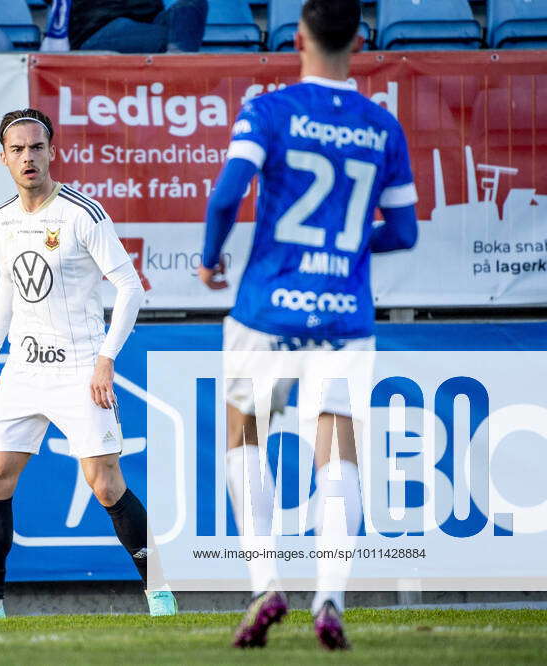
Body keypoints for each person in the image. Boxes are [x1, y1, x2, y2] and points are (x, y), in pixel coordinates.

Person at [198, 0, 418, 651]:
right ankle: (331, 595)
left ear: (296, 38)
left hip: (267, 308)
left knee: (243, 431)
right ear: (362, 37)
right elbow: (403, 231)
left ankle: (266, 583)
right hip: (344, 314)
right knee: (336, 448)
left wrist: (211, 260)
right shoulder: (383, 125)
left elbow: (224, 196)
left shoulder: (268, 110)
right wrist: (346, 249)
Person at [0, 108, 176, 620]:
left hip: (81, 367)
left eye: (36, 147)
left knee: (104, 483)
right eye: (17, 150)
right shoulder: (2, 220)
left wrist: (106, 360)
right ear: (3, 159)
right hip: (24, 368)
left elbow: (129, 288)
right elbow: (8, 286)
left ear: (52, 151)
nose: (28, 157)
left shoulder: (83, 213)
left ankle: (161, 591)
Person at [70, 0, 207, 53]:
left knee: (193, 5)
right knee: (180, 38)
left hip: (147, 27)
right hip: (98, 31)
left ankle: (179, 63)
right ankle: (181, 71)